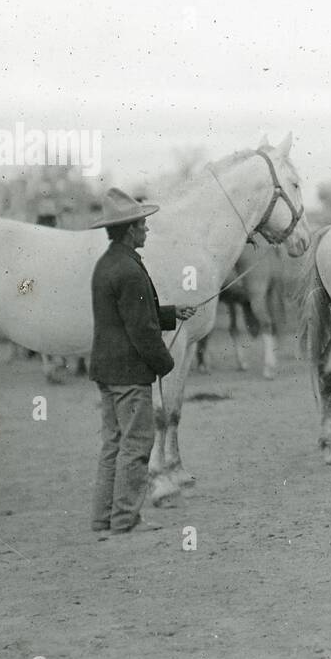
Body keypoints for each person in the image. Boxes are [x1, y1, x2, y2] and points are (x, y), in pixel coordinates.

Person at [89, 189, 197, 536]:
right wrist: (166, 365)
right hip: (130, 374)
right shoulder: (131, 271)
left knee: (113, 446)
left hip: (107, 370)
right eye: (142, 225)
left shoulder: (108, 263)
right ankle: (126, 519)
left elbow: (129, 315)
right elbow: (140, 328)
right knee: (136, 445)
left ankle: (104, 518)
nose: (147, 230)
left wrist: (170, 313)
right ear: (129, 230)